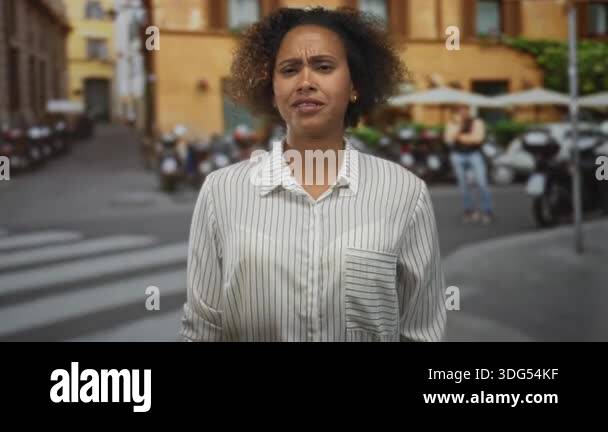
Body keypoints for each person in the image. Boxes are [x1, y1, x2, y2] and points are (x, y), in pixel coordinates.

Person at [180, 7, 447, 342]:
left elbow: (422, 330)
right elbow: (202, 328)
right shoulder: (221, 191)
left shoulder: (405, 193)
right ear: (273, 89)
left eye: (323, 66)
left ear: (354, 85)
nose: (306, 82)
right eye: (290, 69)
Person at [444, 104, 495, 224]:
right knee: (463, 185)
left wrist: (460, 137)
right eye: (459, 111)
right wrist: (460, 127)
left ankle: (487, 211)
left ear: (468, 111)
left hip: (474, 154)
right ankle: (469, 211)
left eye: (464, 110)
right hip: (457, 155)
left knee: (482, 183)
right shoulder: (453, 123)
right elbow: (448, 139)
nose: (462, 113)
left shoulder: (477, 122)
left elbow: (478, 138)